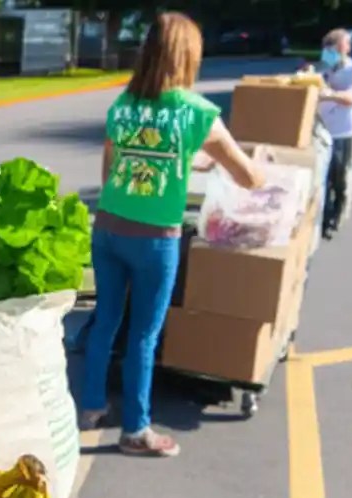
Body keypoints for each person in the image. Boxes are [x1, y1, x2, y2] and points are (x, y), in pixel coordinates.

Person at [80, 11, 267, 457]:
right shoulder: (197, 114)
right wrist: (258, 163)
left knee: (106, 321)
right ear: (188, 57)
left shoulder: (123, 105)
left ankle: (88, 408)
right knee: (144, 334)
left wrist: (181, 162)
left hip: (108, 229)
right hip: (153, 241)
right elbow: (247, 177)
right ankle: (136, 430)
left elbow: (113, 171)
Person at [317, 28, 352, 240]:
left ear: (344, 49)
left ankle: (336, 219)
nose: (329, 54)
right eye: (327, 49)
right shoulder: (324, 71)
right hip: (322, 133)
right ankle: (323, 218)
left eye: (334, 49)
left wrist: (329, 93)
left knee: (342, 180)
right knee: (322, 179)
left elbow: (350, 98)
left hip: (346, 133)